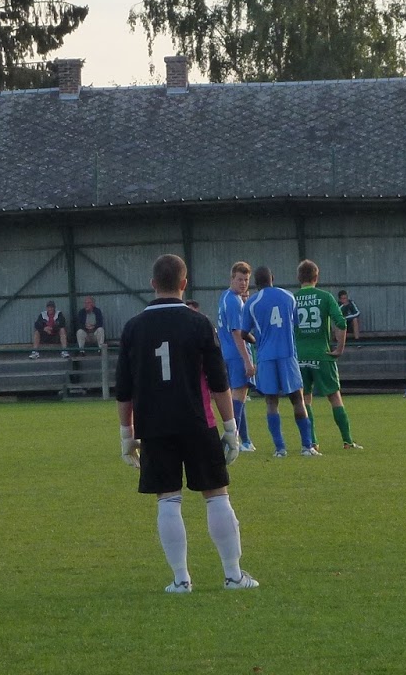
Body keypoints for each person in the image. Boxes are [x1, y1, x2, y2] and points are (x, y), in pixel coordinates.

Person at [115, 254, 254, 592]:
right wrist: (231, 429)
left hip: (154, 426)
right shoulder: (198, 323)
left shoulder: (133, 327)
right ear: (184, 284)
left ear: (152, 284)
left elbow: (124, 388)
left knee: (168, 499)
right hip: (197, 421)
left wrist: (126, 434)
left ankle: (181, 580)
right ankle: (233, 576)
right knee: (217, 496)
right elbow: (219, 382)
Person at [245, 267, 319, 457]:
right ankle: (307, 447)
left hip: (266, 357)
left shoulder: (252, 303)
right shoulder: (288, 296)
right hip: (287, 354)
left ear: (255, 283)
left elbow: (244, 332)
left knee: (271, 402)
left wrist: (257, 340)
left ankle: (280, 449)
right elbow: (293, 323)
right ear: (273, 278)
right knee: (298, 399)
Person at [293, 260, 359, 450]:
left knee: (304, 400)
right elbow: (341, 322)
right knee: (334, 397)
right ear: (316, 277)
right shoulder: (325, 297)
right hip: (322, 355)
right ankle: (347, 441)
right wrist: (339, 348)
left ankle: (312, 441)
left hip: (299, 357)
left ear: (299, 278)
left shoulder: (292, 299)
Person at [217, 262, 256, 453]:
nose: (243, 283)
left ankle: (244, 441)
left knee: (238, 396)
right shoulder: (234, 301)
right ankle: (233, 440)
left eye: (246, 280)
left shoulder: (224, 296)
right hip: (236, 355)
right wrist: (247, 360)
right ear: (232, 278)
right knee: (239, 397)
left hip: (226, 353)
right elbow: (236, 332)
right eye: (239, 279)